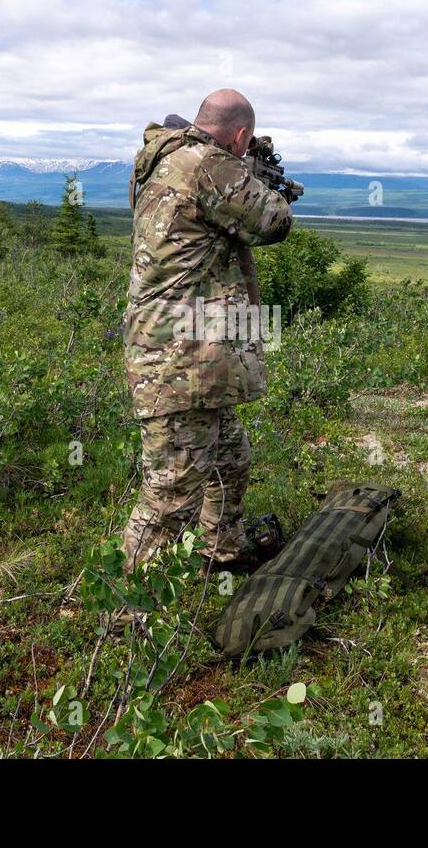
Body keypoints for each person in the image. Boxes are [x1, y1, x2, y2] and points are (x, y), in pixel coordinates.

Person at [121, 89, 293, 573]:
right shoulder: (207, 165)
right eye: (245, 145)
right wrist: (256, 181)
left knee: (230, 461)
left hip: (189, 352)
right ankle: (127, 611)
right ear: (240, 135)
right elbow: (275, 220)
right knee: (170, 497)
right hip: (178, 359)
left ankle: (221, 552)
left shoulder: (165, 160)